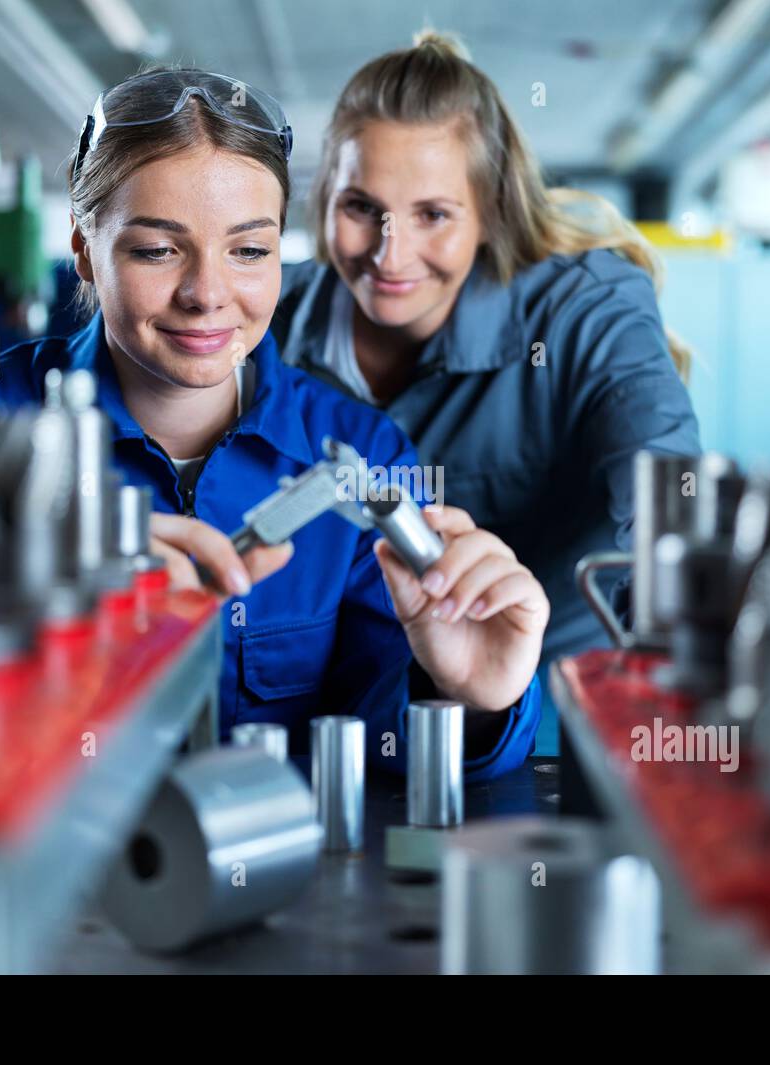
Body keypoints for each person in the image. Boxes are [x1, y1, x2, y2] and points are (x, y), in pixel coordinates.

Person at [0, 68, 548, 779]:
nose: (208, 294)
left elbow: (384, 758)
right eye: (157, 249)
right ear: (86, 248)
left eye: (249, 250)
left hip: (280, 877)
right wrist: (29, 590)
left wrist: (470, 696)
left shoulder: (363, 459)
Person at [270, 32, 702, 752]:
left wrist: (673, 617)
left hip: (562, 735)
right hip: (362, 729)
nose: (390, 253)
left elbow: (667, 496)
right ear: (322, 201)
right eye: (360, 207)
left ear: (490, 211)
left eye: (432, 214)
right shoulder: (271, 333)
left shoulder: (583, 312)